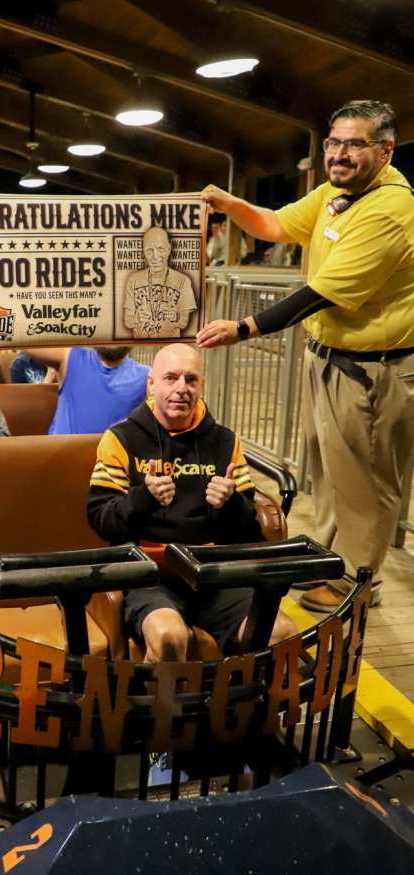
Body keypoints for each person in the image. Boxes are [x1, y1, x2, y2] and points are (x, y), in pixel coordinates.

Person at [197, 99, 414, 612]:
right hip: (331, 358)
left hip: (374, 369)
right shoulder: (338, 191)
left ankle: (356, 584)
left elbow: (322, 292)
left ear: (385, 150)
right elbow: (275, 224)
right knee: (333, 477)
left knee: (366, 483)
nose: (338, 154)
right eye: (333, 143)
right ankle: (328, 562)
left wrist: (244, 327)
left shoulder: (389, 211)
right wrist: (233, 205)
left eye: (354, 144)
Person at [87, 343, 297, 661]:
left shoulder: (225, 442)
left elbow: (250, 534)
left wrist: (231, 504)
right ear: (151, 384)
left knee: (281, 632)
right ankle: (160, 711)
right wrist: (143, 498)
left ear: (201, 386)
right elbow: (101, 518)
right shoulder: (120, 439)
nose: (181, 388)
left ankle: (241, 709)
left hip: (212, 575)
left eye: (191, 379)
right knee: (169, 637)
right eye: (171, 378)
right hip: (149, 574)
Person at [25, 345, 149, 435]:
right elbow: (28, 340)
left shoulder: (146, 376)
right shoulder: (70, 356)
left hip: (111, 465)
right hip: (61, 459)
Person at [123, 226, 197, 339]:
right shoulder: (133, 280)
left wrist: (175, 316)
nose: (155, 256)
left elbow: (184, 322)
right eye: (149, 250)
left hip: (170, 348)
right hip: (140, 347)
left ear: (168, 249)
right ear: (144, 252)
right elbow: (127, 321)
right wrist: (137, 317)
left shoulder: (183, 280)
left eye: (160, 249)